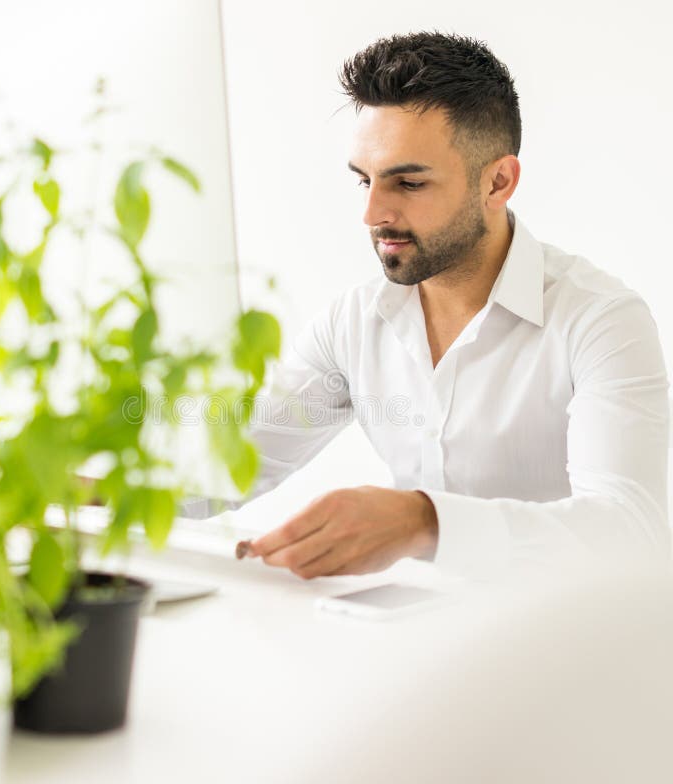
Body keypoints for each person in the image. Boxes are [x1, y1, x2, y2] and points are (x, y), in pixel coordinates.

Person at [190, 32, 669, 579]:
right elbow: (230, 464)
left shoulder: (601, 320)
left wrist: (424, 521)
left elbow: (630, 531)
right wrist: (108, 482)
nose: (372, 214)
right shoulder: (353, 323)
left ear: (498, 182)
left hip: (569, 631)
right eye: (364, 180)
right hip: (415, 625)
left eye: (409, 183)